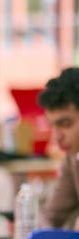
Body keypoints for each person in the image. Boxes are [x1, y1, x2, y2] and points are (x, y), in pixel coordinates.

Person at [38, 66, 79, 230]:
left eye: (65, 124)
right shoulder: (73, 159)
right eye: (53, 126)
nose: (57, 137)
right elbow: (52, 215)